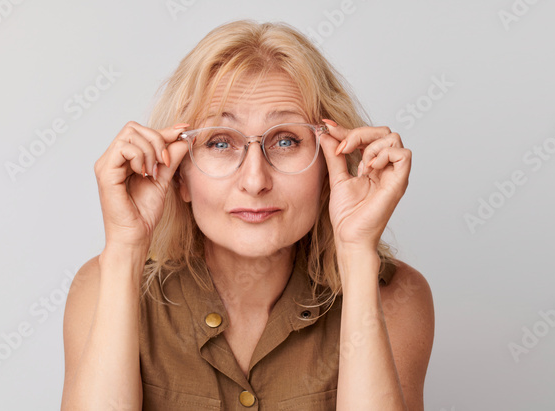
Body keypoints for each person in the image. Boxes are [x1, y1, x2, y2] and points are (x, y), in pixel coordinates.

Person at [61, 20, 435, 410]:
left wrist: (358, 252)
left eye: (286, 140)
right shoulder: (101, 287)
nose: (255, 181)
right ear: (179, 175)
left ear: (330, 164)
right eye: (220, 142)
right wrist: (125, 248)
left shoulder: (396, 298)